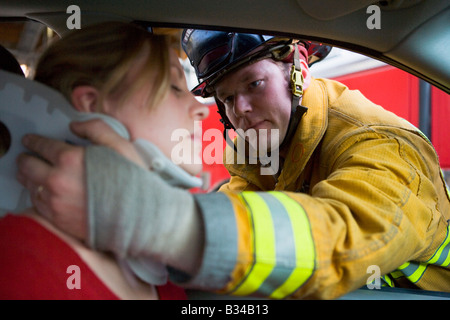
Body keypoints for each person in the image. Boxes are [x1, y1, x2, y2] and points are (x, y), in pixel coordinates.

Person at [16, 29, 450, 299]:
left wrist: (161, 220)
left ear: (297, 67)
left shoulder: (378, 143)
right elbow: (245, 207)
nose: (238, 109)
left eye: (254, 84)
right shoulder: (261, 149)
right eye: (225, 96)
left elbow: (343, 234)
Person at [0, 21, 212, 299]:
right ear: (91, 105)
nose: (201, 110)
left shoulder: (156, 265)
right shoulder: (19, 258)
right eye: (174, 87)